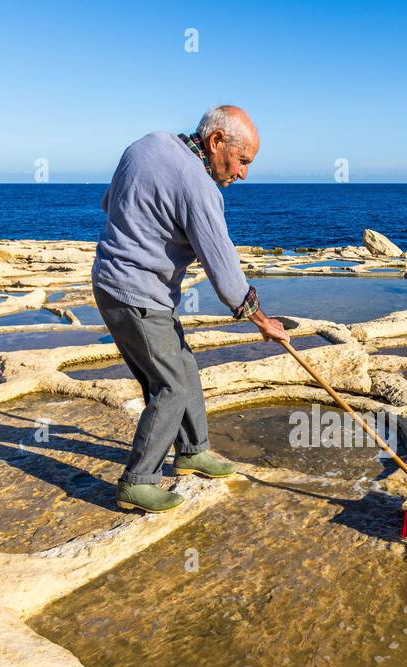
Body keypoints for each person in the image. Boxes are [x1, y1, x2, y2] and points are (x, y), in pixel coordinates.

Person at [92, 105, 287, 512]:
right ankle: (138, 479)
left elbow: (109, 202)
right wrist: (261, 321)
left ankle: (192, 450)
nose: (243, 174)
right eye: (242, 161)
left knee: (181, 365)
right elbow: (225, 269)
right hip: (138, 295)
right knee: (170, 384)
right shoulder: (199, 187)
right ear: (217, 142)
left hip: (111, 283)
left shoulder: (147, 143)